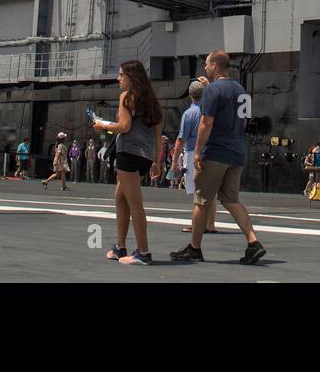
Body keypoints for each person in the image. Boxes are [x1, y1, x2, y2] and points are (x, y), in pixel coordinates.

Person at [171, 50, 266, 265]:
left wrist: (197, 151)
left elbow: (206, 122)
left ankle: (194, 248)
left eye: (207, 64)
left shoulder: (212, 90)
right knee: (231, 200)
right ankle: (253, 242)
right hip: (237, 152)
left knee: (201, 200)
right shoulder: (242, 91)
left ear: (214, 65)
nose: (205, 68)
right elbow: (244, 121)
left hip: (215, 152)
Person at [93, 60, 162, 265]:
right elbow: (158, 134)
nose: (118, 78)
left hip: (128, 153)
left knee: (135, 203)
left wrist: (103, 125)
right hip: (145, 156)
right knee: (120, 197)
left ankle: (144, 252)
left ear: (132, 77)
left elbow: (123, 126)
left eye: (122, 75)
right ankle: (120, 247)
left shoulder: (126, 97)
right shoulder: (152, 101)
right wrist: (157, 162)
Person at [173, 81, 218, 234]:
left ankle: (197, 224)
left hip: (193, 152)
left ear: (190, 94)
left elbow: (181, 139)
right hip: (211, 152)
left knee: (197, 192)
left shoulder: (189, 114)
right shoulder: (210, 111)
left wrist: (174, 162)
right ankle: (210, 224)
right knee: (210, 192)